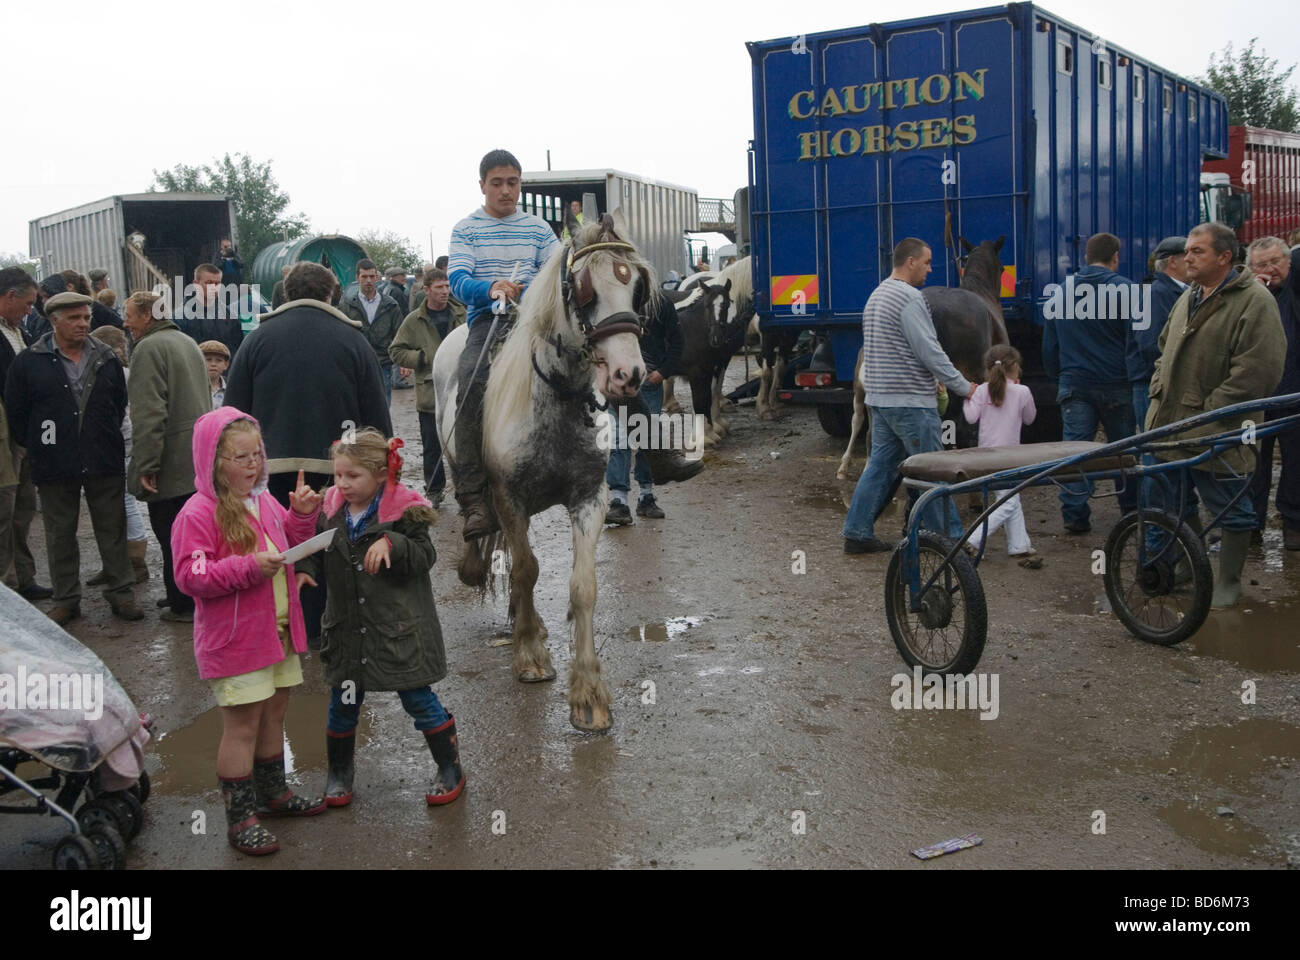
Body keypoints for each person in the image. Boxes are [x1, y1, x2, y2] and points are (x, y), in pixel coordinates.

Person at [171, 408, 327, 855]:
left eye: (258, 454)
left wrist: (300, 517)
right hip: (236, 639)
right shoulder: (197, 512)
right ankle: (240, 819)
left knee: (275, 714)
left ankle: (273, 794)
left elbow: (285, 547)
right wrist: (248, 568)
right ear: (213, 461)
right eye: (241, 457)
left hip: (277, 632)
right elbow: (189, 576)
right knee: (241, 726)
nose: (254, 465)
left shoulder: (262, 500)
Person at [223, 261, 391, 645]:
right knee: (333, 546)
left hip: (268, 469)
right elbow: (376, 412)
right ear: (331, 294)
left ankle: (283, 622)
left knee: (276, 545)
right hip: (339, 471)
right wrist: (383, 467)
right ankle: (326, 626)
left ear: (287, 292)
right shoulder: (353, 340)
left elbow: (233, 411)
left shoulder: (257, 340)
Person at [295, 429, 464, 807]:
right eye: (338, 475)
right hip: (348, 634)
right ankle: (339, 773)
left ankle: (449, 767)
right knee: (343, 704)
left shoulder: (404, 513)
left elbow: (424, 556)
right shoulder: (331, 510)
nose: (342, 484)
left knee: (418, 699)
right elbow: (315, 546)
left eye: (352, 476)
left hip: (397, 633)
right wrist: (305, 566)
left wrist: (394, 542)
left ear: (381, 475)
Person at [1146, 221, 1285, 608]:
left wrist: (1209, 411)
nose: (1186, 257)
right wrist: (1159, 385)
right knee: (1178, 502)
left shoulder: (1255, 301)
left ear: (1225, 257)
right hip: (1171, 424)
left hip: (1219, 428)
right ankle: (1194, 563)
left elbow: (1259, 371)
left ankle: (1228, 582)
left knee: (1230, 506)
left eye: (1197, 251)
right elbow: (1163, 347)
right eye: (1187, 251)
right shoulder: (1189, 295)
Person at [4, 292, 142, 625]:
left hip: (102, 458)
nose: (82, 324)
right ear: (54, 321)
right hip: (54, 463)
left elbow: (118, 403)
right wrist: (42, 444)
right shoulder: (30, 361)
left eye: (86, 317)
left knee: (111, 529)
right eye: (74, 318)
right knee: (59, 533)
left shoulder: (106, 356)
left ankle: (121, 594)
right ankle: (66, 599)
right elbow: (17, 412)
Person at [446, 149, 563, 540]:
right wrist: (491, 287)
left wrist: (528, 289)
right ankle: (473, 497)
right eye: (497, 182)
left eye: (512, 182)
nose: (506, 190)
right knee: (470, 378)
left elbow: (556, 274)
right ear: (482, 185)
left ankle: (652, 456)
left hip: (535, 320)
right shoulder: (466, 229)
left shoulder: (539, 229)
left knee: (595, 361)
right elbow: (459, 282)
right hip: (488, 321)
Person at [842, 238, 972, 553]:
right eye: (927, 263)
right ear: (910, 262)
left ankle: (857, 532)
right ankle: (951, 540)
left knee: (880, 467)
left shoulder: (876, 296)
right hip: (910, 401)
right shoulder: (909, 298)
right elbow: (929, 349)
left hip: (881, 400)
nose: (930, 269)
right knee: (932, 471)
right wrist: (963, 386)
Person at [123, 291, 212, 622]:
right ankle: (187, 591)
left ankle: (182, 603)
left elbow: (149, 415)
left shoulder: (147, 348)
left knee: (171, 534)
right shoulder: (185, 341)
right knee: (194, 531)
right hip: (196, 457)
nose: (125, 321)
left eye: (129, 314)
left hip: (170, 461)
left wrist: (146, 465)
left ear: (147, 315)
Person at [1043, 232, 1139, 534]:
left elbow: (1050, 346)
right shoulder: (1127, 290)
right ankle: (1131, 512)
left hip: (1075, 386)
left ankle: (1074, 515)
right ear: (1115, 258)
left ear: (1085, 258)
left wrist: (1057, 376)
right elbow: (1138, 342)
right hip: (1118, 385)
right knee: (1124, 451)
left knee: (1074, 453)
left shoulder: (1060, 292)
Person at [605, 291, 684, 524]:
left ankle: (646, 498)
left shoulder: (661, 303)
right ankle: (619, 502)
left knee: (645, 441)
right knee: (618, 441)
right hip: (617, 382)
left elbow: (678, 341)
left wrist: (663, 371)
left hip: (649, 382)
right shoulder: (614, 300)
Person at [389, 267, 465, 503]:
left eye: (447, 286)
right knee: (432, 447)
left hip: (463, 389)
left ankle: (466, 491)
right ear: (427, 289)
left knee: (463, 444)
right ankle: (434, 490)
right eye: (439, 287)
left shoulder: (461, 314)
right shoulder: (414, 320)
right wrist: (421, 358)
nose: (445, 291)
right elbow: (396, 350)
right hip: (430, 393)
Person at [1244, 236, 1300, 550]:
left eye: (1275, 262)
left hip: (1293, 394)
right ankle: (1249, 525)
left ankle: (1293, 522)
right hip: (1255, 396)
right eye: (1261, 264)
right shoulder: (1249, 298)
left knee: (1295, 463)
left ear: (1289, 262)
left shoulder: (1295, 292)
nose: (1270, 269)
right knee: (1252, 463)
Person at [0, 268, 51, 600]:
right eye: (29, 303)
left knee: (23, 511)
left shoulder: (19, 331)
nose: (31, 310)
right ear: (9, 297)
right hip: (4, 438)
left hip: (24, 436)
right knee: (3, 512)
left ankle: (23, 579)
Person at [86, 325, 150, 587]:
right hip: (114, 441)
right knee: (114, 504)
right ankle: (117, 561)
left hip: (120, 441)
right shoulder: (123, 371)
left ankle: (136, 562)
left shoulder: (119, 372)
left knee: (124, 501)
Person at [963, 344, 1039, 563]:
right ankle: (973, 540)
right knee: (1007, 502)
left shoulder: (981, 391)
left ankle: (1019, 545)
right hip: (1010, 455)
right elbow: (1029, 419)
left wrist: (969, 397)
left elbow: (970, 418)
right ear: (1014, 366)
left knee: (1011, 497)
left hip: (986, 455)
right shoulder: (1022, 391)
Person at [1129, 237, 1189, 428]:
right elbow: (1149, 344)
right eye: (1188, 256)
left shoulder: (1173, 291)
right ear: (1172, 262)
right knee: (1155, 451)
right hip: (1154, 386)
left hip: (1161, 383)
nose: (1193, 261)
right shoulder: (1157, 294)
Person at [339, 259, 404, 407]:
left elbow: (399, 334)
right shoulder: (347, 306)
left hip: (383, 363)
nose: (368, 280)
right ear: (357, 278)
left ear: (377, 278)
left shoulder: (390, 305)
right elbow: (341, 336)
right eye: (364, 276)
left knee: (382, 406)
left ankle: (382, 431)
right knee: (358, 406)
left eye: (371, 276)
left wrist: (402, 362)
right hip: (356, 365)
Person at [177, 263, 243, 359]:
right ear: (196, 284)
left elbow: (237, 350)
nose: (214, 288)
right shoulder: (180, 317)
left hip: (224, 372)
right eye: (209, 283)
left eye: (217, 283)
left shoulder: (230, 316)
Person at [200, 340, 230, 409]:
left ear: (226, 364)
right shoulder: (193, 387)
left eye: (219, 360)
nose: (213, 364)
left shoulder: (232, 387)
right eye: (208, 360)